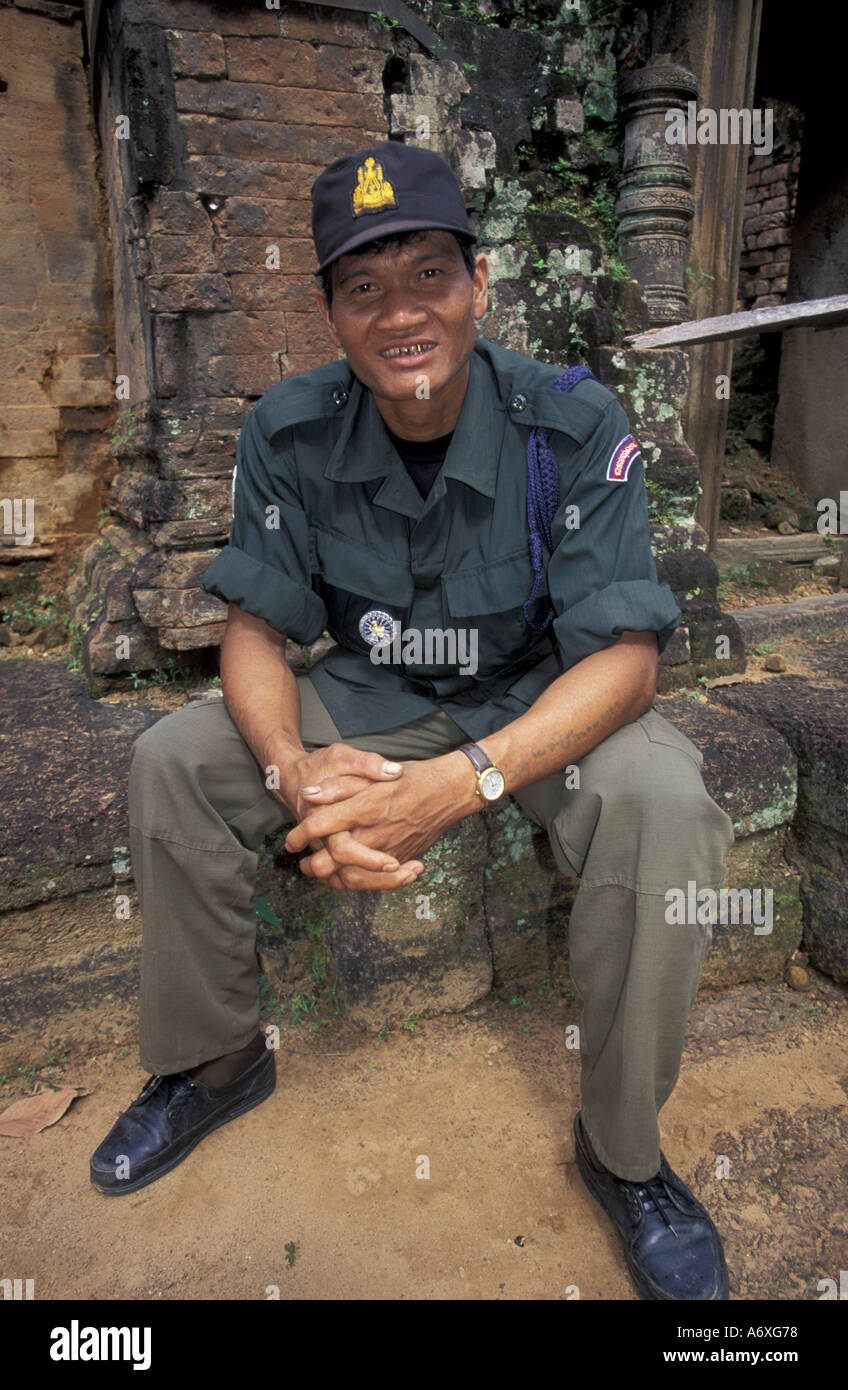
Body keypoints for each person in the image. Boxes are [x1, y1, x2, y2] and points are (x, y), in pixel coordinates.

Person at [90, 141, 735, 1302]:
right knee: (178, 758)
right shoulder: (286, 429)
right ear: (332, 312)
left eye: (427, 275)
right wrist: (293, 770)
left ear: (476, 285)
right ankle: (216, 1060)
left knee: (661, 805)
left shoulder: (570, 423)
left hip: (545, 695)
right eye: (363, 288)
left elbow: (628, 661)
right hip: (375, 692)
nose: (400, 313)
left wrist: (461, 785)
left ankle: (623, 1154)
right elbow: (254, 628)